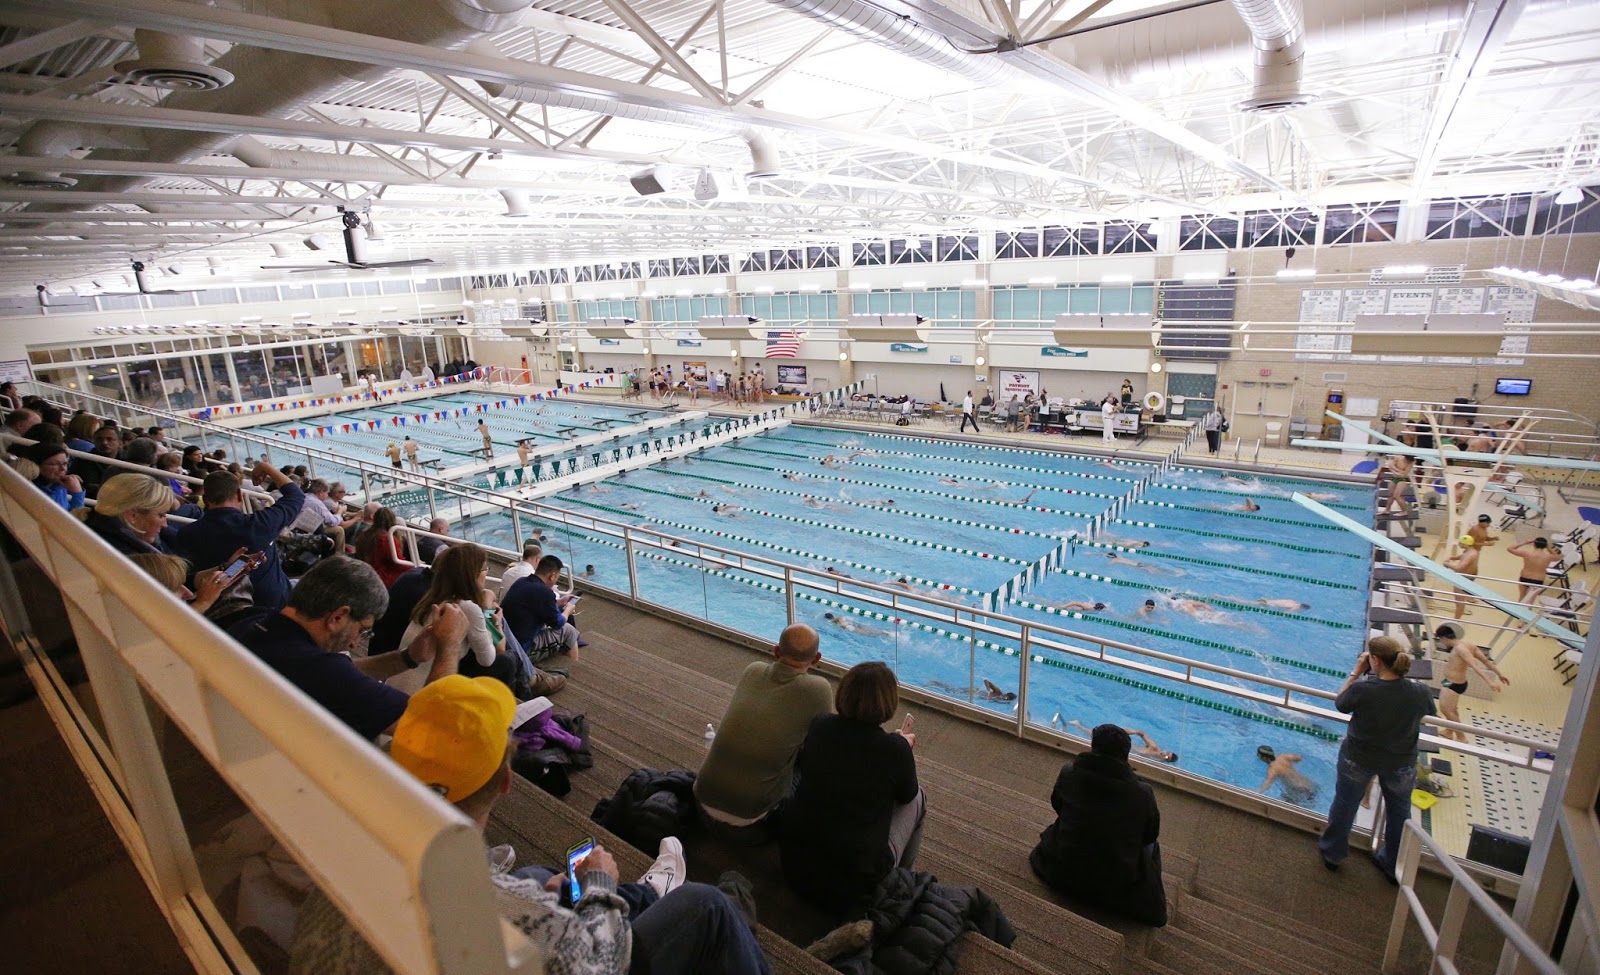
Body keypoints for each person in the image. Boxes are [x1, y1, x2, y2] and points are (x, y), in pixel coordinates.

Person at [288, 675, 773, 975]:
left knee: (543, 878)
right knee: (704, 904)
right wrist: (600, 884)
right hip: (561, 953)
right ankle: (660, 893)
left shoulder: (343, 855)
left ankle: (649, 891)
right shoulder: (500, 908)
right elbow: (602, 965)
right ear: (504, 782)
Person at [228, 556, 467, 739]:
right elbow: (434, 726)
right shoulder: (323, 673)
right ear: (338, 617)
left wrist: (407, 658)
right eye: (362, 629)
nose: (355, 643)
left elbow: (346, 673)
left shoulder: (250, 622)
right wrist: (450, 644)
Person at [780, 662, 924, 918]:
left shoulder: (820, 725)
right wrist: (903, 751)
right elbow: (906, 794)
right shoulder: (894, 750)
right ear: (888, 703)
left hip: (794, 869)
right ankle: (900, 879)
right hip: (854, 888)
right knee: (918, 799)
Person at [696, 624, 833, 841]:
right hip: (751, 821)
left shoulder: (753, 670)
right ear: (816, 659)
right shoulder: (819, 689)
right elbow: (822, 745)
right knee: (812, 766)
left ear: (776, 651)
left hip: (702, 799)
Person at [1318, 636, 1435, 881]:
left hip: (1358, 758)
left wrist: (1356, 672)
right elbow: (1428, 711)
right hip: (1401, 762)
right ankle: (1393, 864)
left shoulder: (1364, 689)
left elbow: (1340, 703)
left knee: (1345, 805)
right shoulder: (1420, 691)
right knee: (1399, 813)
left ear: (1376, 661)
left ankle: (1333, 854)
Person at [1029, 723, 1167, 925]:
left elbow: (1057, 805)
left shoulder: (1070, 772)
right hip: (1116, 881)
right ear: (1126, 756)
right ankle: (1149, 889)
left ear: (1093, 748)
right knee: (1152, 846)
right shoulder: (1142, 793)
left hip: (1063, 868)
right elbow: (1150, 835)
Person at [176, 462, 304, 611]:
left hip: (220, 609)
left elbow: (184, 578)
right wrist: (265, 467)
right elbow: (296, 495)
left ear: (204, 500)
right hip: (274, 604)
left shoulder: (185, 535)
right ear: (239, 495)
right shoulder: (260, 524)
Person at [501, 554, 581, 666]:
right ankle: (575, 670)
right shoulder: (545, 592)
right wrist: (567, 610)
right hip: (520, 649)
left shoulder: (522, 581)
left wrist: (559, 602)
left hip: (505, 640)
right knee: (569, 631)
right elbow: (557, 623)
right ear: (552, 576)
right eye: (557, 577)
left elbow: (536, 605)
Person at [1433, 623, 1508, 742]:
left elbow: (1475, 665)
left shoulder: (1460, 649)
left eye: (1441, 640)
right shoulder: (1468, 644)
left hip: (1453, 685)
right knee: (1452, 709)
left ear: (1445, 638)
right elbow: (1485, 660)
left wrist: (1490, 682)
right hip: (1450, 682)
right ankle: (1449, 731)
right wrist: (1500, 674)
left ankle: (1461, 737)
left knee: (1446, 709)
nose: (1442, 643)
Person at [81, 472, 177, 556]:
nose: (165, 524)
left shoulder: (89, 528)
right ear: (133, 515)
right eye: (161, 515)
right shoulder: (127, 558)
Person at [352, 506, 406, 588]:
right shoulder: (387, 539)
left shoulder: (364, 533)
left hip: (366, 571)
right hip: (382, 577)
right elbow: (398, 563)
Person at [26, 442, 85, 511]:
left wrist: (77, 493)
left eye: (65, 464)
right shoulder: (30, 489)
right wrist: (77, 494)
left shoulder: (59, 486)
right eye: (54, 464)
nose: (63, 469)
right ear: (36, 465)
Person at [1441, 535, 1481, 619]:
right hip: (1471, 576)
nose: (1459, 544)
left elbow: (1458, 568)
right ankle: (1470, 598)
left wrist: (1447, 564)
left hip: (1463, 578)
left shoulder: (1469, 555)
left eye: (1461, 543)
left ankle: (1456, 620)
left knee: (1459, 601)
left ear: (1465, 544)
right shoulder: (1473, 551)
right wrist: (1451, 557)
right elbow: (1461, 556)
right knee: (1465, 593)